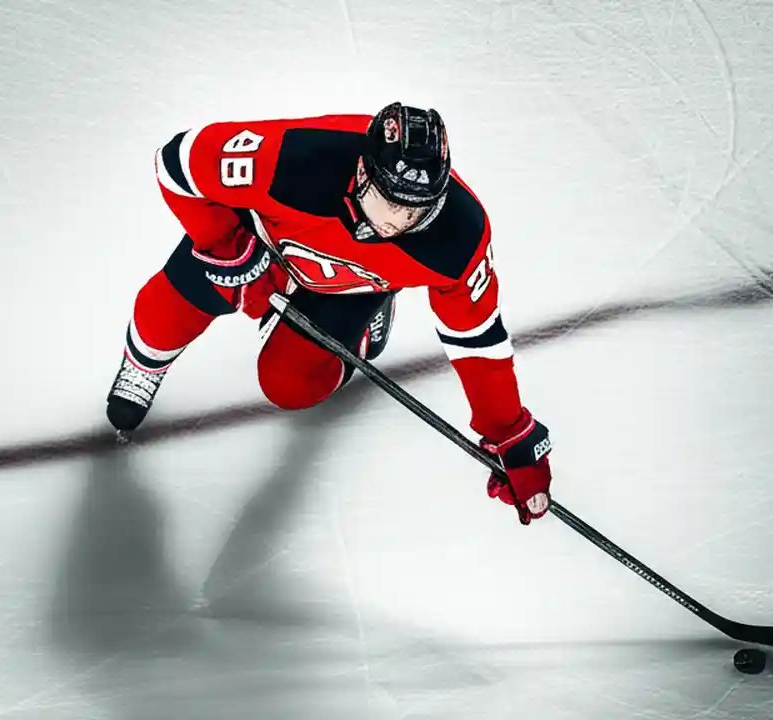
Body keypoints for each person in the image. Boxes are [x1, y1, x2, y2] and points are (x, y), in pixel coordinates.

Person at [105, 102, 554, 524]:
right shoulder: (295, 158)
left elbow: (476, 338)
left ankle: (364, 324)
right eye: (387, 203)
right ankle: (143, 366)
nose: (394, 224)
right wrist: (225, 245)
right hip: (260, 247)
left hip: (350, 284)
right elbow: (176, 162)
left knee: (289, 385)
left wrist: (510, 434)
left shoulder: (459, 235)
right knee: (162, 313)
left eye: (414, 211)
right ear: (362, 173)